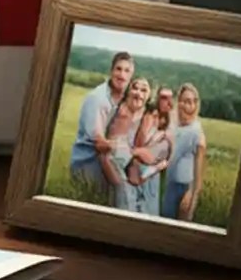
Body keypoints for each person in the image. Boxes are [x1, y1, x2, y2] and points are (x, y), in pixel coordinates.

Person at [70, 51, 134, 188]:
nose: (122, 75)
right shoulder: (98, 99)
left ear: (131, 76)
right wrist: (130, 149)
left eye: (127, 71)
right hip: (87, 165)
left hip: (109, 162)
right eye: (118, 69)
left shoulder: (124, 99)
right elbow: (99, 144)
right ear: (111, 71)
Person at [100, 76, 150, 211]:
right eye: (135, 88)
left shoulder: (146, 116)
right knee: (123, 195)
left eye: (144, 90)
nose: (138, 93)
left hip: (129, 161)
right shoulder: (117, 109)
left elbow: (139, 146)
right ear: (128, 90)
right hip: (111, 158)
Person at [126, 85, 175, 215]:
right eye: (163, 98)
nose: (167, 101)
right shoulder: (150, 115)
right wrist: (161, 135)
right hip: (141, 166)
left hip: (154, 171)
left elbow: (171, 151)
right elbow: (141, 143)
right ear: (158, 99)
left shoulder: (169, 119)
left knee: (151, 211)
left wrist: (159, 165)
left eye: (170, 98)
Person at [163, 83, 207, 221]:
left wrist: (191, 195)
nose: (188, 106)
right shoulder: (173, 124)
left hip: (186, 188)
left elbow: (199, 175)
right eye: (184, 101)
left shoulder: (197, 133)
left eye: (191, 102)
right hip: (169, 185)